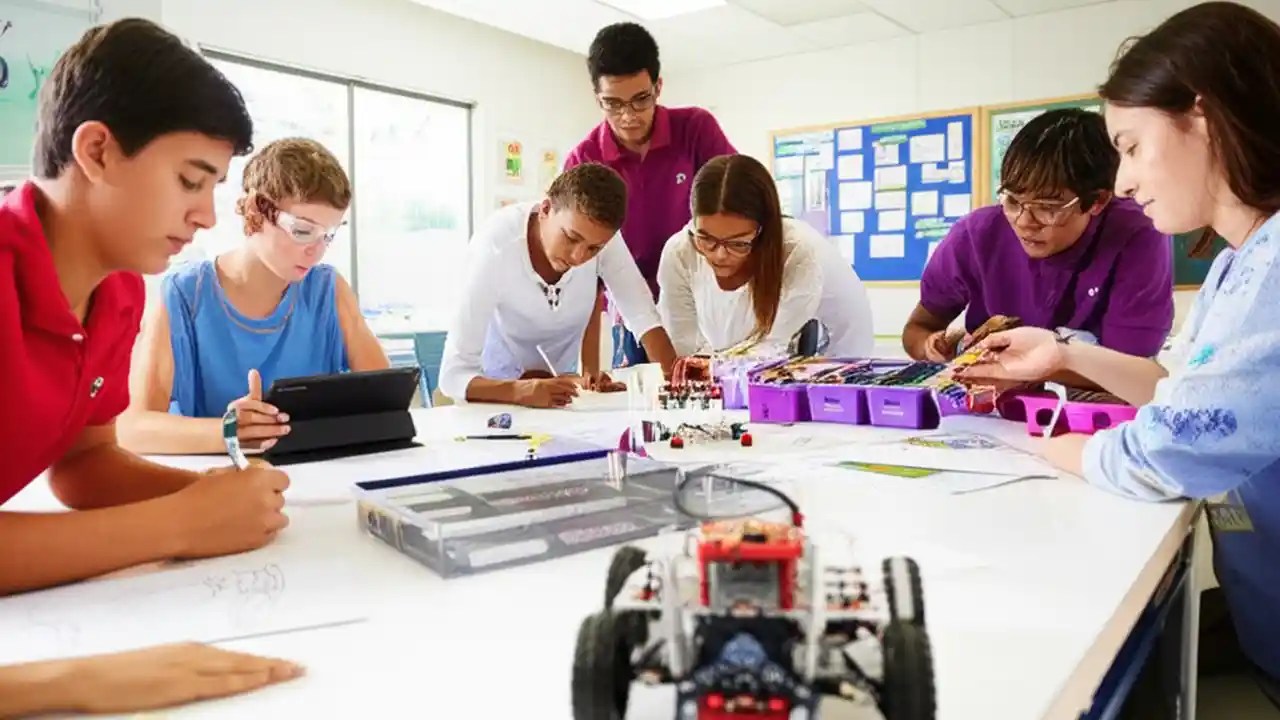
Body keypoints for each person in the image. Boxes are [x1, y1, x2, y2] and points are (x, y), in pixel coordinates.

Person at [958, 2, 1280, 712]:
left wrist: (1045, 446)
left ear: (1203, 116)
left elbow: (1167, 450)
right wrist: (1060, 353)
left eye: (1132, 146)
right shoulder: (1239, 263)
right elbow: (1183, 389)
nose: (1127, 181)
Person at [0, 17, 297, 710]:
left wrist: (215, 501)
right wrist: (179, 525)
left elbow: (83, 463)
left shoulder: (119, 288)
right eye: (191, 180)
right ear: (98, 150)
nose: (205, 215)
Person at [119, 138, 389, 455]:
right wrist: (228, 432)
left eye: (328, 235)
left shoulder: (328, 290)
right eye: (302, 231)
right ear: (255, 211)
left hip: (315, 475)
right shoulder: (183, 294)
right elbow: (132, 428)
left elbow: (387, 402)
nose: (316, 251)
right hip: (217, 484)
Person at [904, 108, 1174, 364]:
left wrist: (1033, 364)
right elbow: (918, 329)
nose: (1024, 222)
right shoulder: (977, 235)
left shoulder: (1136, 233)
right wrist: (931, 345)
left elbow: (1129, 367)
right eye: (1012, 201)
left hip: (1090, 404)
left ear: (1098, 201)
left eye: (1047, 208)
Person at [564, 22, 736, 373]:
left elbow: (739, 206)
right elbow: (582, 273)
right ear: (596, 98)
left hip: (707, 303)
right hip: (634, 315)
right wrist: (588, 371)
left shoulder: (695, 130)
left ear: (658, 87)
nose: (627, 116)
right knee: (643, 403)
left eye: (640, 100)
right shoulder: (583, 161)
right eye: (612, 104)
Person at [439, 162, 677, 407]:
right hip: (492, 402)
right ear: (545, 209)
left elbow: (643, 316)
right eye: (571, 238)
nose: (578, 257)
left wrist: (678, 388)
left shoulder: (602, 237)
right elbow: (453, 377)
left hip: (559, 398)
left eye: (594, 249)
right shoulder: (494, 247)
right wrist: (521, 391)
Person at [658, 154, 874, 358]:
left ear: (763, 232)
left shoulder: (797, 251)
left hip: (836, 347)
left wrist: (717, 368)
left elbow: (773, 347)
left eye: (738, 243)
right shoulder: (680, 251)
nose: (720, 254)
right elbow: (683, 341)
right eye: (707, 239)